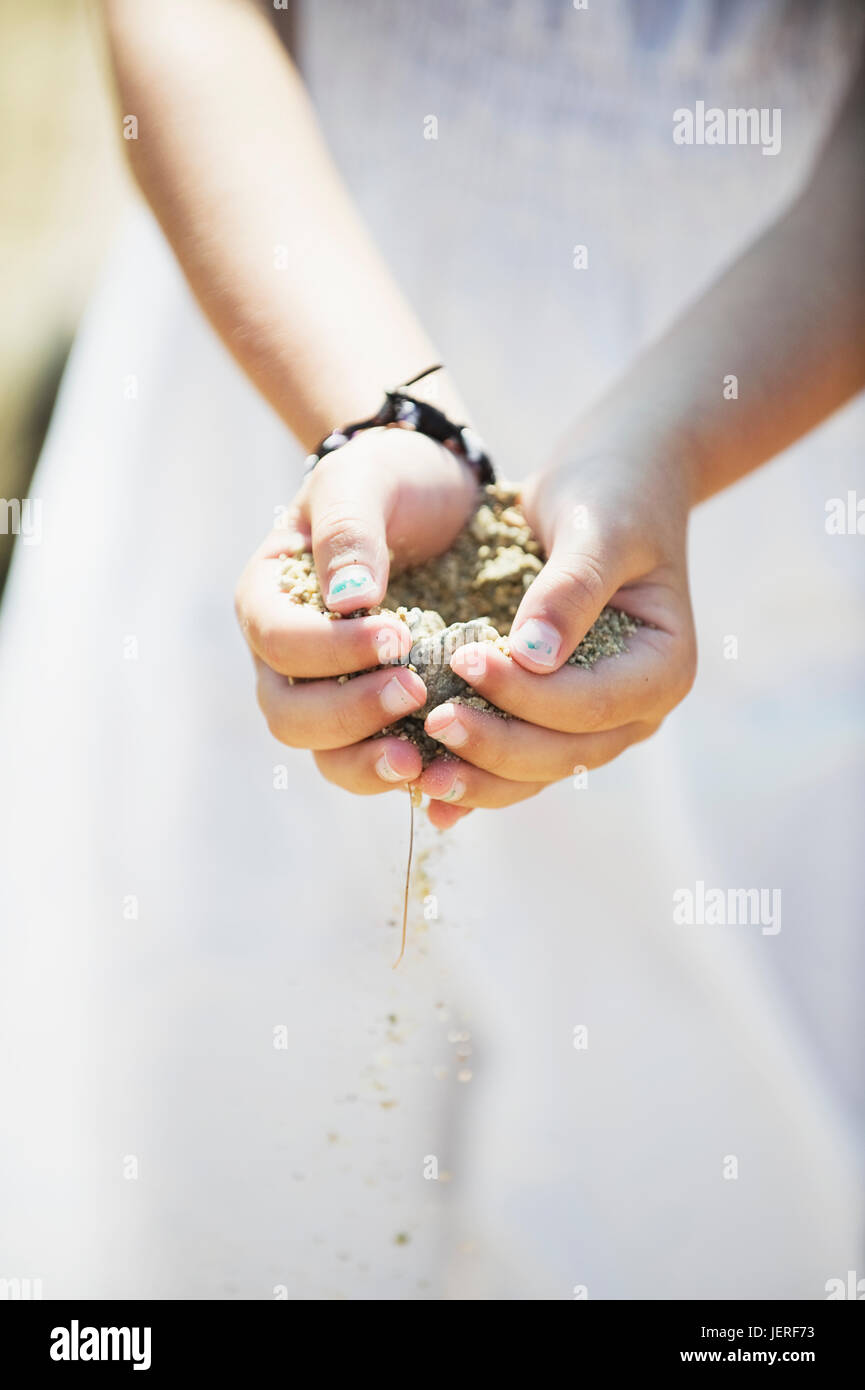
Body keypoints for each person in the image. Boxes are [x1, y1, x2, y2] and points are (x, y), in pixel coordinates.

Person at [0, 0, 862, 1299]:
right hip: (287, 317)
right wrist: (374, 416)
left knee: (701, 1201)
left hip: (750, 421)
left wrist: (670, 450)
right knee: (208, 1146)